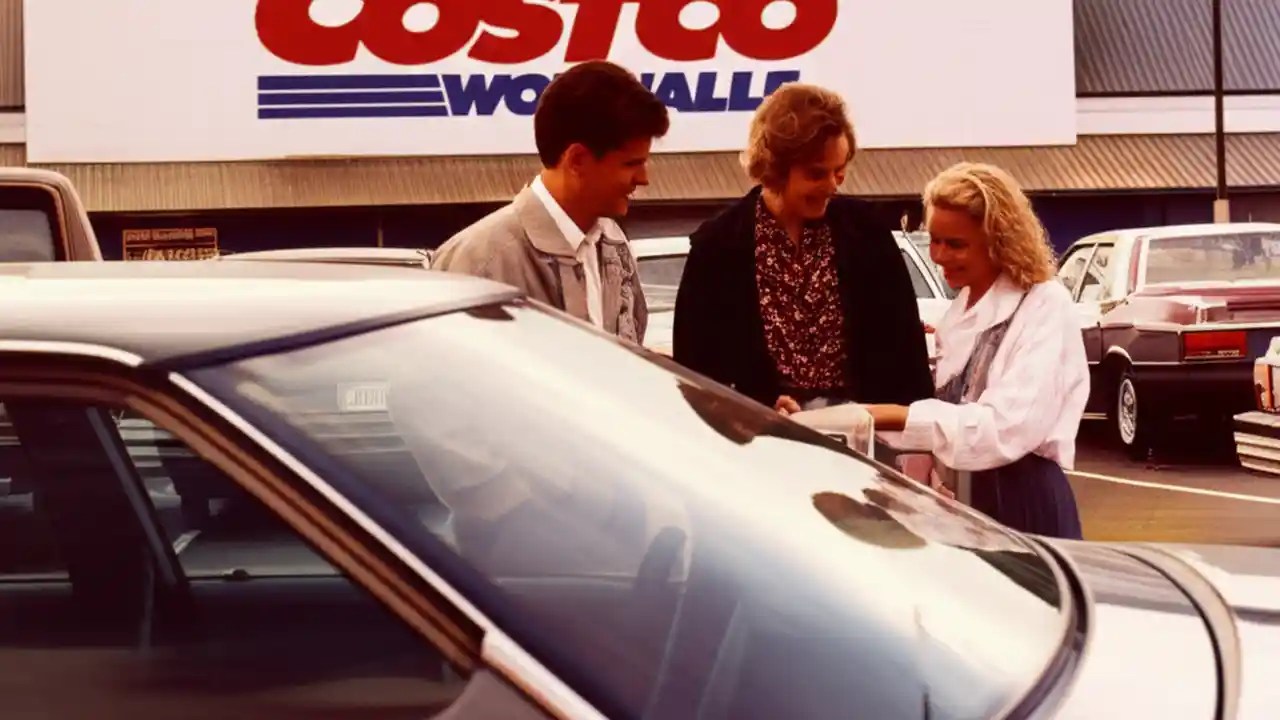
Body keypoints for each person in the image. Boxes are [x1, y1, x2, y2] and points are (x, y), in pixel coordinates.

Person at [672, 82, 933, 412]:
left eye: (839, 172)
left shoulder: (867, 232)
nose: (832, 186)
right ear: (775, 167)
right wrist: (758, 405)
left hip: (868, 434)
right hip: (759, 442)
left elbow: (906, 351)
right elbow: (695, 373)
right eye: (816, 174)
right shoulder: (718, 246)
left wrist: (918, 435)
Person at [863, 162, 1088, 539]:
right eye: (933, 240)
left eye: (955, 244)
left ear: (999, 241)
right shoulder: (960, 310)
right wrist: (838, 414)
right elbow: (944, 429)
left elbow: (1004, 429)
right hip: (965, 507)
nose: (938, 255)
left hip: (1022, 506)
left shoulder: (1044, 304)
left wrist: (892, 416)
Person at [431, 60, 670, 344]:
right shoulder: (479, 261)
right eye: (631, 164)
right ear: (577, 160)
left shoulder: (613, 242)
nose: (643, 179)